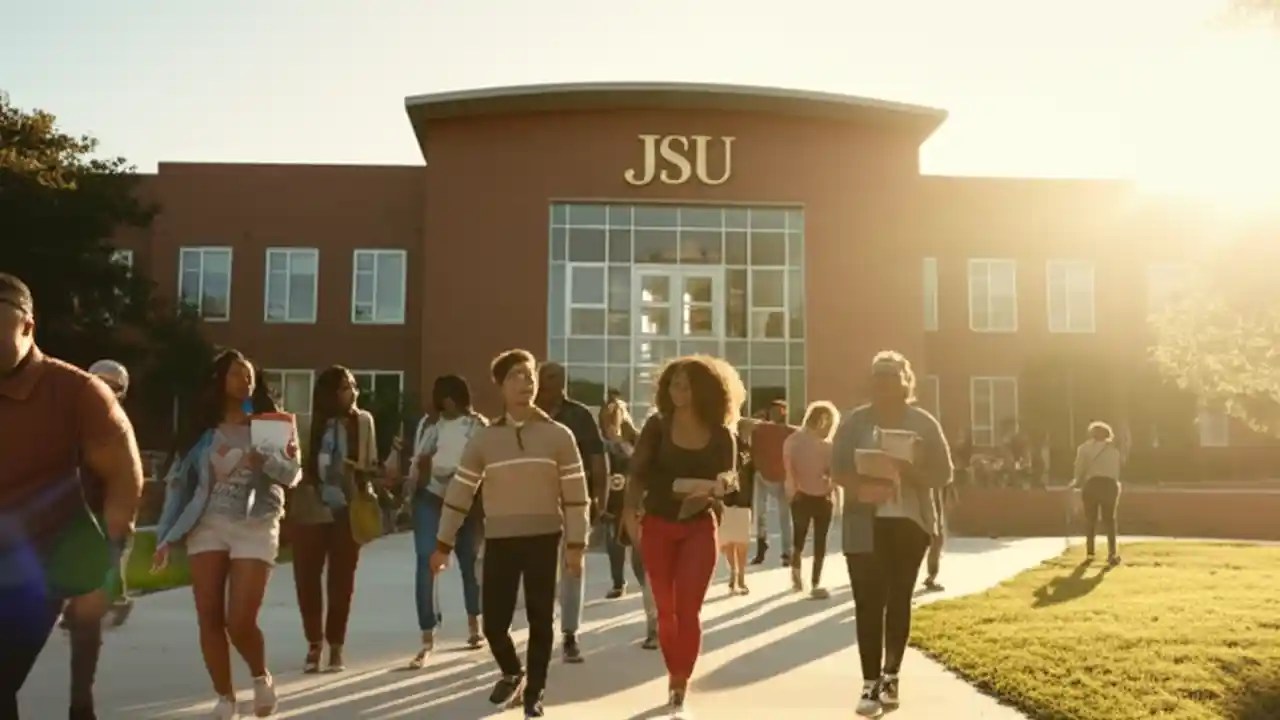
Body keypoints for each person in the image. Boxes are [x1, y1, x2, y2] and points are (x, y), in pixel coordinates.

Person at [0, 274, 144, 720]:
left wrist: (113, 554)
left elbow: (124, 475)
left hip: (38, 566)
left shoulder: (79, 393)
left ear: (27, 325)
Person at [430, 349, 589, 719]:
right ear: (501, 385)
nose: (526, 382)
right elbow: (460, 493)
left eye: (530, 375)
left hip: (544, 538)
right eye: (516, 375)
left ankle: (535, 693)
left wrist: (576, 547)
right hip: (500, 539)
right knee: (494, 624)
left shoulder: (558, 436)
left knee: (539, 619)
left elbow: (577, 497)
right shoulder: (485, 440)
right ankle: (512, 671)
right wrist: (442, 544)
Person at [152, 349, 302, 720]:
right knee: (209, 616)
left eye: (249, 375)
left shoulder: (272, 425)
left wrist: (264, 460)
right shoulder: (203, 433)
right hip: (207, 525)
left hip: (256, 522)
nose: (244, 380)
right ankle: (225, 698)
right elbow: (179, 486)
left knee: (240, 621)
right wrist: (166, 536)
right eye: (236, 374)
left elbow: (294, 475)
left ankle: (260, 676)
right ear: (220, 380)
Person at [622, 355, 746, 715]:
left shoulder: (723, 434)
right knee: (666, 611)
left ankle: (679, 683)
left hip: (699, 525)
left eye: (687, 385)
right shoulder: (657, 426)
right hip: (658, 524)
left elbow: (733, 477)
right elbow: (638, 474)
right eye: (674, 384)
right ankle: (673, 670)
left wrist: (724, 483)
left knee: (688, 610)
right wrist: (631, 514)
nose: (679, 391)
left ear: (703, 390)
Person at [832, 351, 951, 718]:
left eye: (890, 375)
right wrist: (862, 483)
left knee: (898, 599)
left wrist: (905, 469)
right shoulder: (853, 423)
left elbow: (943, 474)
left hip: (909, 523)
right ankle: (869, 684)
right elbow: (837, 469)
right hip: (862, 521)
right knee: (867, 603)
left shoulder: (924, 423)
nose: (883, 381)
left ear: (905, 381)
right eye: (877, 375)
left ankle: (891, 675)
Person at [290, 366, 377, 673]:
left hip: (347, 506)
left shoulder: (363, 421)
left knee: (342, 579)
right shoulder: (306, 423)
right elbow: (294, 466)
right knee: (307, 578)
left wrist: (364, 481)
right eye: (344, 387)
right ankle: (314, 644)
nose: (352, 392)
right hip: (310, 505)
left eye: (354, 386)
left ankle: (336, 645)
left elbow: (369, 464)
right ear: (328, 393)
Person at [406, 374, 487, 668]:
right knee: (427, 560)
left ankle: (474, 624)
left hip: (467, 500)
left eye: (450, 397)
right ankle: (427, 634)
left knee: (469, 561)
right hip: (432, 498)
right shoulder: (429, 426)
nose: (446, 404)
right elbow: (417, 460)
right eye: (442, 398)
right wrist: (411, 487)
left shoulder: (478, 425)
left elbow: (486, 463)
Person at [534, 361, 606, 664]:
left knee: (573, 566)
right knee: (540, 571)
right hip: (535, 503)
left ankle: (570, 635)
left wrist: (601, 496)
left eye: (561, 378)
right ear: (540, 381)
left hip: (575, 501)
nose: (558, 383)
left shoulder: (579, 415)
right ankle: (543, 630)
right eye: (551, 378)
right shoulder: (527, 415)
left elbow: (597, 457)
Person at [597, 390, 659, 648]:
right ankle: (651, 619)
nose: (611, 420)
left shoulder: (639, 441)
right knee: (637, 563)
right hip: (625, 507)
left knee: (647, 568)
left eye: (615, 415)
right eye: (607, 416)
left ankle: (654, 627)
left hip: (646, 509)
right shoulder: (604, 444)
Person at [783, 401, 839, 598]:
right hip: (812, 496)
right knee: (809, 540)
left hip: (812, 496)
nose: (826, 424)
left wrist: (830, 482)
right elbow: (832, 474)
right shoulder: (809, 443)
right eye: (824, 419)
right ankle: (806, 579)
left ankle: (807, 578)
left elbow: (833, 472)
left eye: (829, 420)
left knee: (810, 539)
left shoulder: (798, 442)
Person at [749, 400, 795, 566]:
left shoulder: (789, 432)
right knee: (762, 514)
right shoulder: (762, 429)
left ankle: (786, 552)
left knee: (783, 516)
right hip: (765, 475)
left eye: (780, 411)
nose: (777, 414)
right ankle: (764, 546)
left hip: (779, 477)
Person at [1071, 420, 1123, 566]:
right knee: (1110, 520)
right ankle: (1112, 553)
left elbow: (1079, 468)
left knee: (1090, 519)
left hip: (1092, 484)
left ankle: (1090, 552)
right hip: (1109, 485)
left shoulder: (1084, 449)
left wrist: (1076, 481)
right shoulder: (1114, 450)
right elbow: (1117, 469)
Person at [720, 418, 756, 595]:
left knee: (742, 541)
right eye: (748, 430)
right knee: (728, 541)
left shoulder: (752, 450)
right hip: (727, 498)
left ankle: (741, 576)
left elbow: (755, 475)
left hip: (744, 500)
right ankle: (733, 573)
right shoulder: (731, 445)